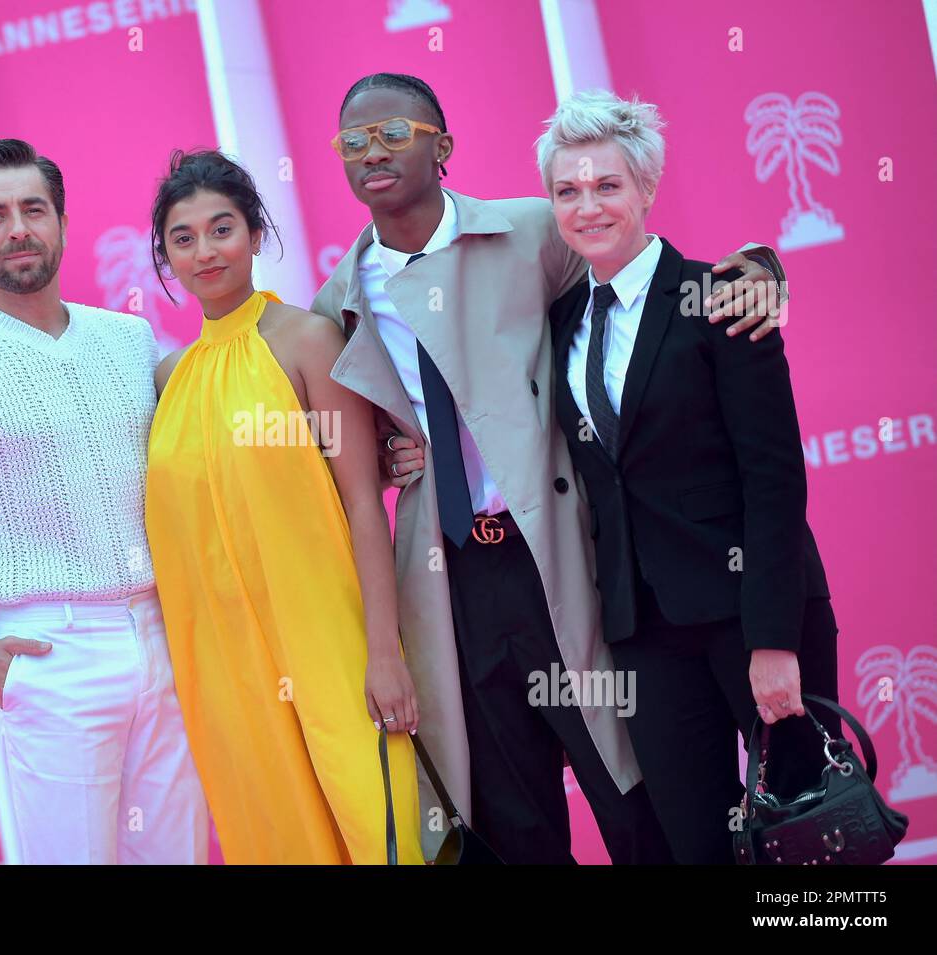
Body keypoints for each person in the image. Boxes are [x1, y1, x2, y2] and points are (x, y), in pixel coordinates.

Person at [312, 73, 789, 864]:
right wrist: (402, 457)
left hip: (569, 559)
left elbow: (637, 279)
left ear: (443, 147)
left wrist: (756, 268)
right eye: (353, 142)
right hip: (453, 576)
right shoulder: (339, 302)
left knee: (637, 789)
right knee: (514, 812)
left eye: (394, 133)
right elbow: (358, 437)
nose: (373, 154)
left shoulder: (533, 231)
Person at [0, 139, 207, 864]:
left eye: (33, 209)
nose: (17, 228)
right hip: (51, 657)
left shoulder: (130, 339)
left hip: (162, 637)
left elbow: (228, 410)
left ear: (60, 220)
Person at [539, 90, 838, 864]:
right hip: (645, 634)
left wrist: (774, 643)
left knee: (812, 844)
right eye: (567, 191)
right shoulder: (559, 322)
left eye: (606, 186)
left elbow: (774, 481)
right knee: (695, 846)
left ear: (645, 189)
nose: (588, 206)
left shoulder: (723, 298)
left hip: (753, 616)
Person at [145, 150, 424, 864]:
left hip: (329, 639)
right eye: (184, 237)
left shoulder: (307, 340)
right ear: (164, 255)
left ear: (256, 233)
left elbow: (365, 504)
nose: (205, 251)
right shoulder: (171, 379)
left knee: (375, 823)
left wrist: (385, 654)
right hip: (227, 668)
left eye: (222, 228)